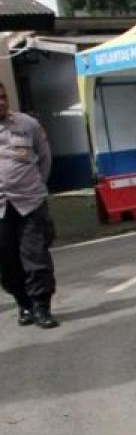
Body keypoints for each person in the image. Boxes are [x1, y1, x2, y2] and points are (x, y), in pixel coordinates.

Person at [0, 81, 58, 328]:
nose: (1, 102)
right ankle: (24, 304)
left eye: (3, 97)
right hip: (1, 208)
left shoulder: (27, 125)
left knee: (36, 258)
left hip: (30, 203)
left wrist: (36, 187)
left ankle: (41, 308)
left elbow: (44, 158)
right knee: (7, 263)